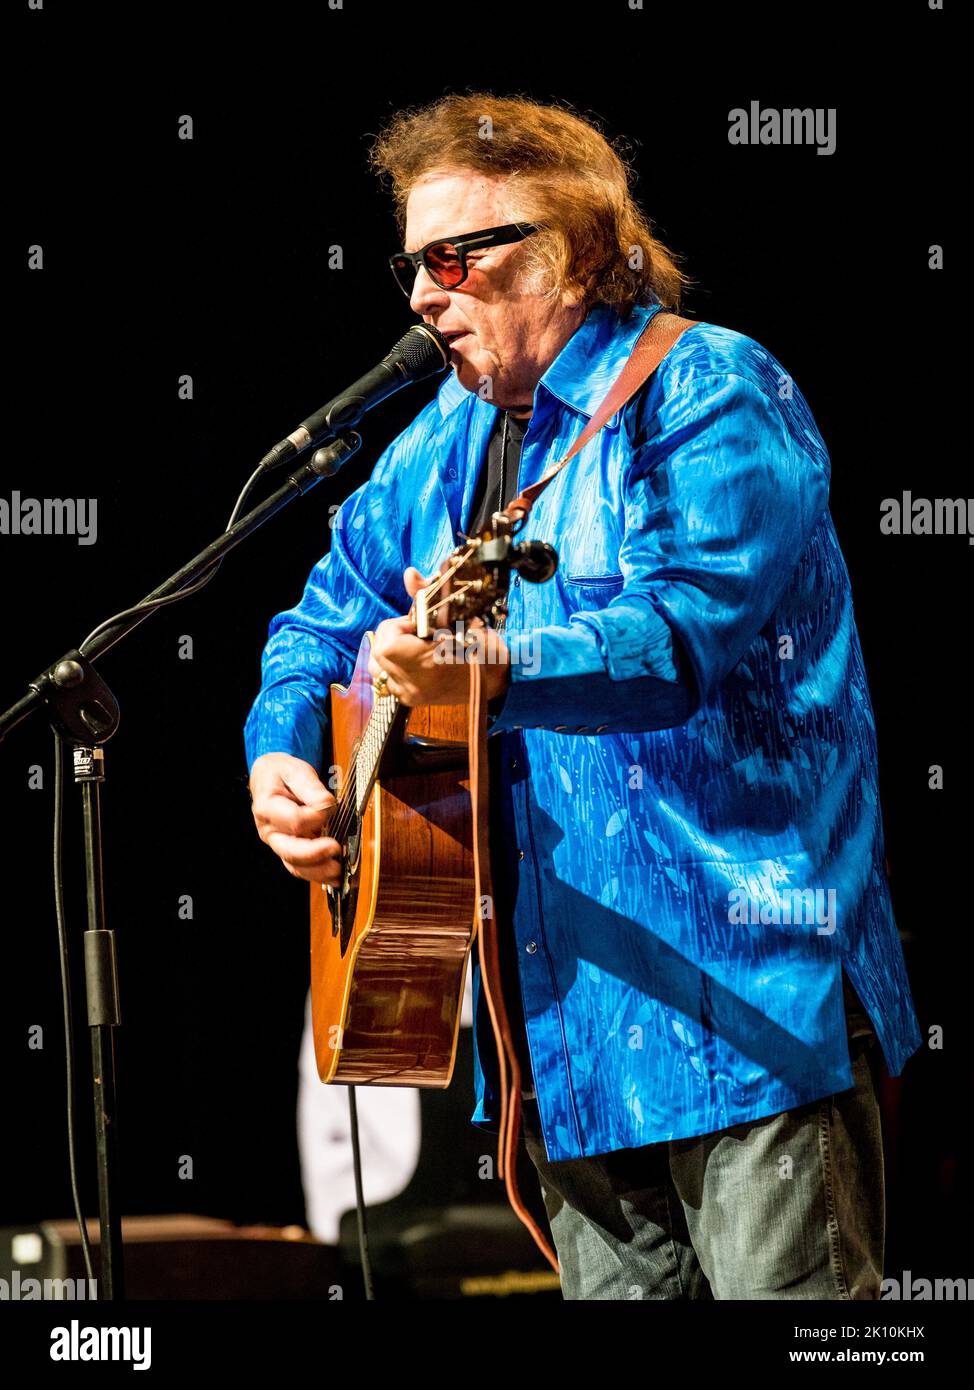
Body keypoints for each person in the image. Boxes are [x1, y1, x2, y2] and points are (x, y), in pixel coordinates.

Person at [244, 93, 922, 1300]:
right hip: (564, 1049)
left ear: (565, 250)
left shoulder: (709, 391)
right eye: (408, 262)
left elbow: (678, 636)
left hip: (749, 1007)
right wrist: (281, 754)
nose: (418, 295)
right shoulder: (443, 437)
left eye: (452, 257)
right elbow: (318, 622)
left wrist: (486, 670)